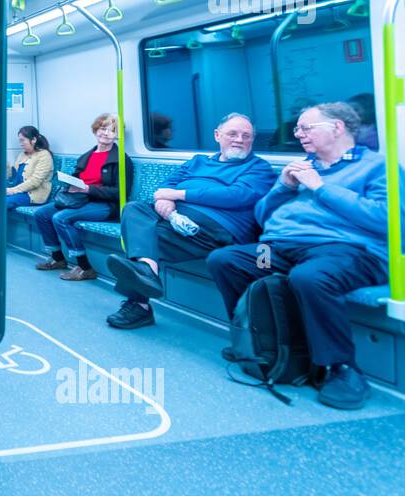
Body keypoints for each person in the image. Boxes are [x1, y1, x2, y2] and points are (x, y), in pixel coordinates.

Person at [206, 103, 388, 410]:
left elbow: (385, 219)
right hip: (276, 249)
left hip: (343, 249)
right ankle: (258, 338)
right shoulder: (302, 166)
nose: (298, 134)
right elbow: (262, 216)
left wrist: (321, 188)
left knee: (310, 277)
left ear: (337, 128)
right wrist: (283, 188)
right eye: (298, 129)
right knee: (227, 260)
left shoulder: (375, 166)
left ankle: (340, 367)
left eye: (306, 128)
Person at [105, 113, 275, 329]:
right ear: (217, 135)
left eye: (246, 136)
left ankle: (140, 304)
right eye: (232, 133)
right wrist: (166, 203)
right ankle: (146, 270)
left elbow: (237, 195)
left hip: (216, 229)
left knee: (143, 241)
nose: (239, 139)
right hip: (177, 221)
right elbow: (165, 186)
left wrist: (178, 195)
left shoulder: (259, 168)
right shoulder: (198, 162)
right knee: (134, 210)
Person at [32, 112, 134, 281]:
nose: (106, 133)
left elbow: (121, 193)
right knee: (41, 214)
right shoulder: (86, 156)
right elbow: (77, 177)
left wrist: (88, 189)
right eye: (103, 128)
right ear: (96, 130)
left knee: (61, 218)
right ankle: (57, 258)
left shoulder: (122, 160)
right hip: (79, 199)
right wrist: (71, 185)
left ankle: (85, 267)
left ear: (117, 136)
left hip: (104, 204)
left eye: (112, 130)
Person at [0, 125, 54, 249]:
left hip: (32, 195)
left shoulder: (44, 155)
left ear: (33, 139)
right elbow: (11, 177)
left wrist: (12, 191)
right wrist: (3, 160)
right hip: (17, 190)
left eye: (23, 140)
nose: (21, 143)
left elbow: (35, 181)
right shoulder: (22, 155)